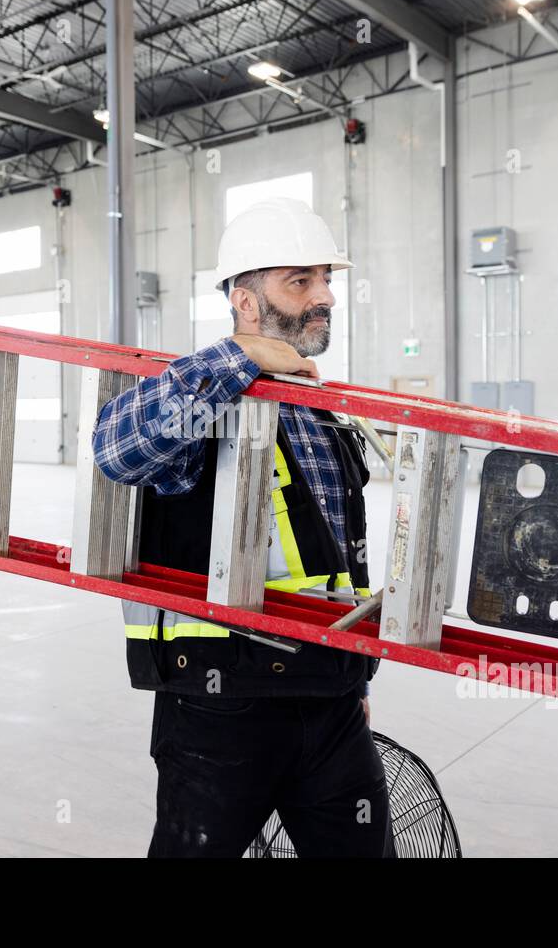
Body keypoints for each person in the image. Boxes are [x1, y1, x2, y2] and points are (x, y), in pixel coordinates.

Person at [92, 197, 394, 858]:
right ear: (245, 301)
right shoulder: (201, 399)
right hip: (218, 705)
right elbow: (117, 447)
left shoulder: (321, 413)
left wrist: (357, 681)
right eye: (301, 280)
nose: (326, 297)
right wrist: (238, 357)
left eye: (325, 279)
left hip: (330, 699)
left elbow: (343, 560)